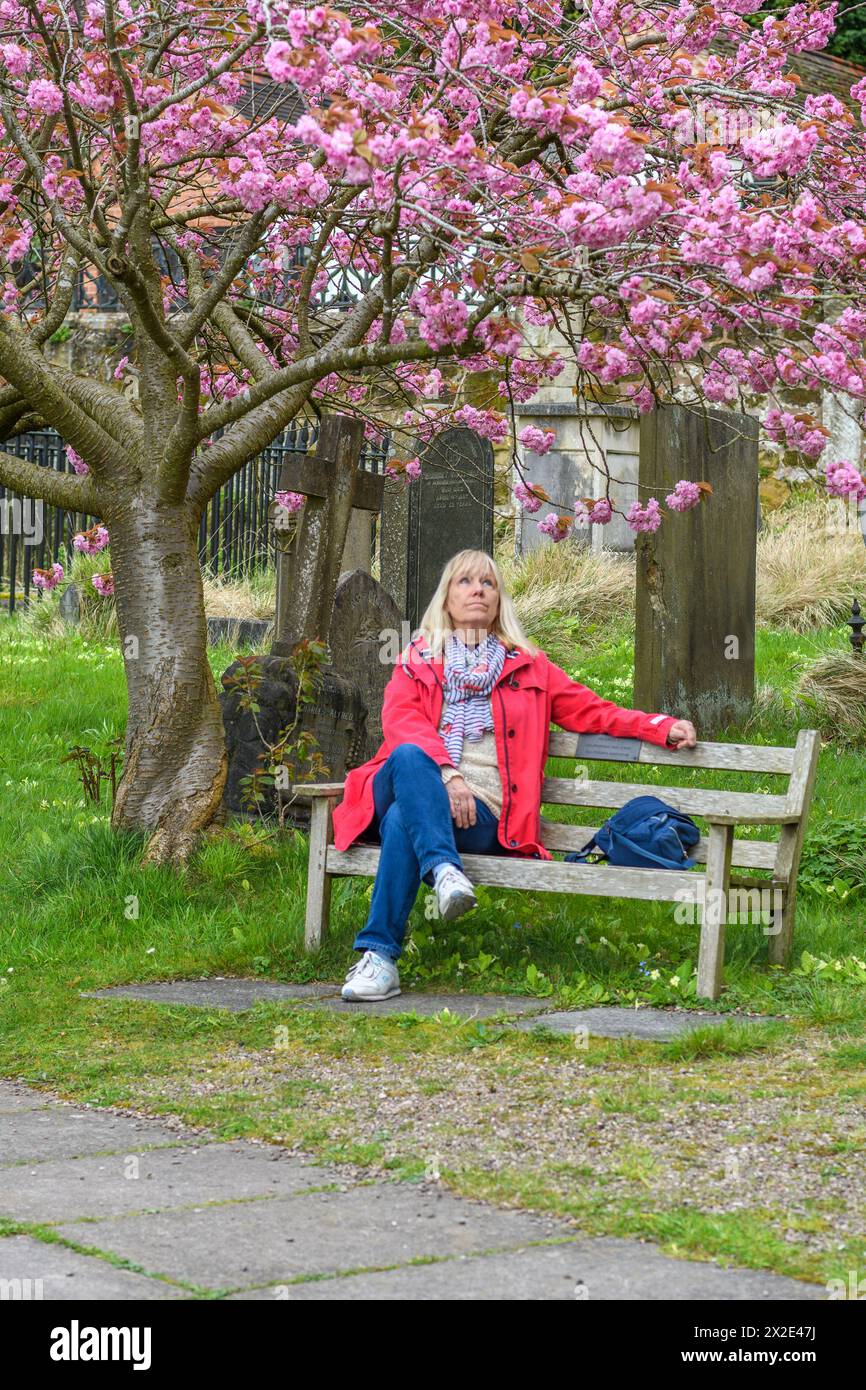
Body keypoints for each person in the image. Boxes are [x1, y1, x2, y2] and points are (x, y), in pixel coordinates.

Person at [332, 549, 697, 1001]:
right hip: (417, 779)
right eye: (465, 582)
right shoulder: (416, 662)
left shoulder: (528, 667)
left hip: (483, 816)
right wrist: (449, 775)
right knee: (408, 754)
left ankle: (380, 960)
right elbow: (402, 722)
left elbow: (593, 712)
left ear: (499, 599)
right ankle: (445, 870)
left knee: (403, 822)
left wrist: (658, 726)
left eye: (487, 583)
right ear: (446, 598)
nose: (477, 591)